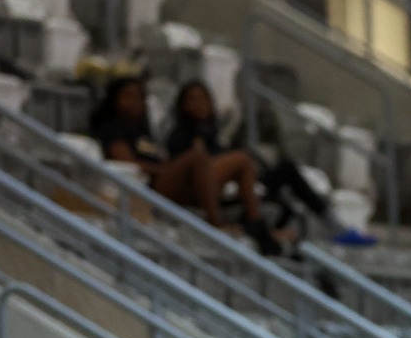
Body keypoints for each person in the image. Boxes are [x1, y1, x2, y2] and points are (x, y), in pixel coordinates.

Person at [92, 77, 280, 255]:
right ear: (114, 100)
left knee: (242, 159)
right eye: (128, 96)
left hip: (173, 181)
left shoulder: (143, 131)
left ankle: (255, 223)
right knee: (197, 157)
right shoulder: (113, 129)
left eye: (140, 97)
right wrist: (165, 169)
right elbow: (128, 164)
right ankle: (215, 224)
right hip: (151, 188)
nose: (136, 101)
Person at [167, 82, 327, 235]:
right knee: (243, 161)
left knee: (285, 171)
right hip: (211, 195)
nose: (199, 104)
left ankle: (327, 218)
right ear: (182, 105)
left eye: (203, 98)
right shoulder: (180, 137)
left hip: (236, 186)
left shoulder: (213, 135)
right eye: (192, 99)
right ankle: (255, 224)